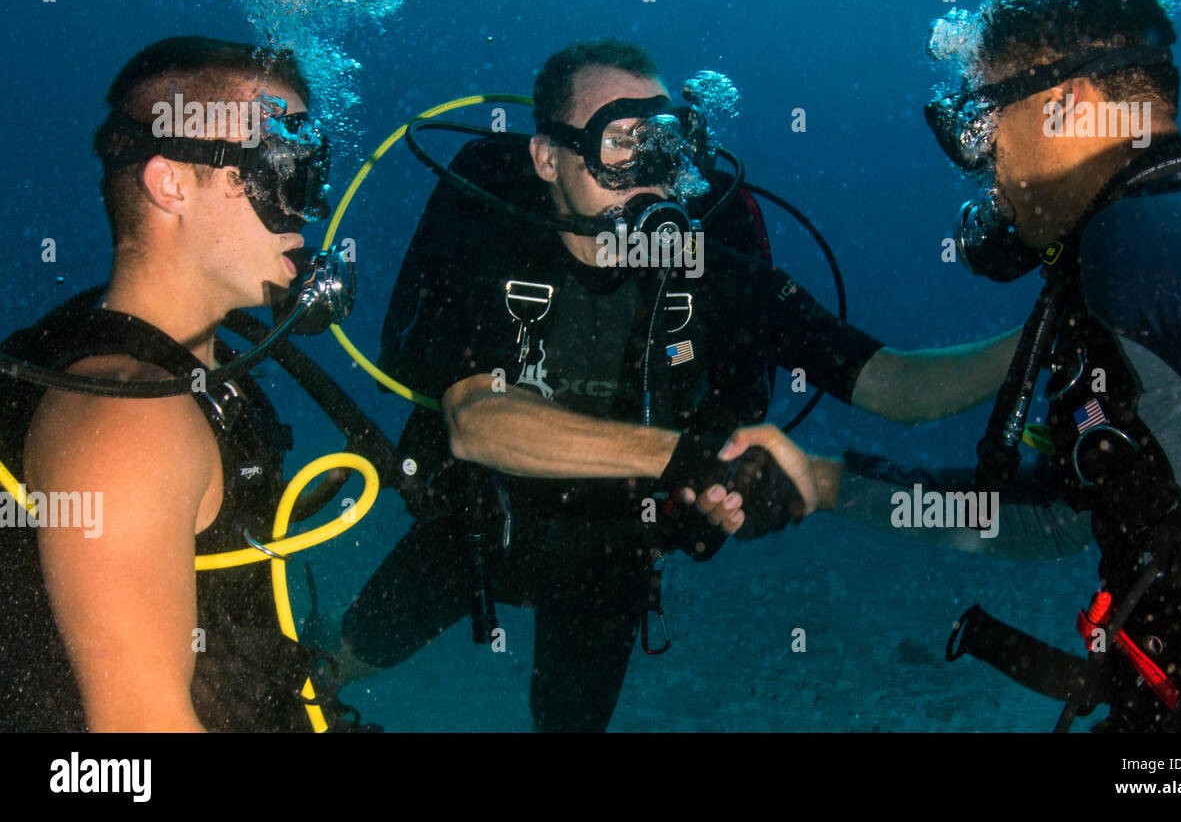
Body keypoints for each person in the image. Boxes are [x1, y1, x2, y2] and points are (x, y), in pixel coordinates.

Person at [313, 37, 1021, 732]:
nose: (647, 167)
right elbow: (475, 421)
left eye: (662, 142)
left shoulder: (706, 262)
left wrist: (1044, 333)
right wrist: (685, 456)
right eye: (620, 141)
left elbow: (897, 386)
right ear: (548, 156)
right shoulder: (496, 235)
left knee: (570, 721)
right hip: (474, 519)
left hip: (611, 547)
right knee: (344, 658)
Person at [725, 0, 1181, 732]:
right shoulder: (1164, 239)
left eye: (983, 121)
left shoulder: (1143, 234)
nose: (984, 168)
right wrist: (830, 484)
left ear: (1068, 107)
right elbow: (1052, 519)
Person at [0, 36, 355, 732]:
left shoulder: (194, 367)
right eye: (280, 170)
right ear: (171, 183)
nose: (307, 208)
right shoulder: (129, 420)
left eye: (312, 173)